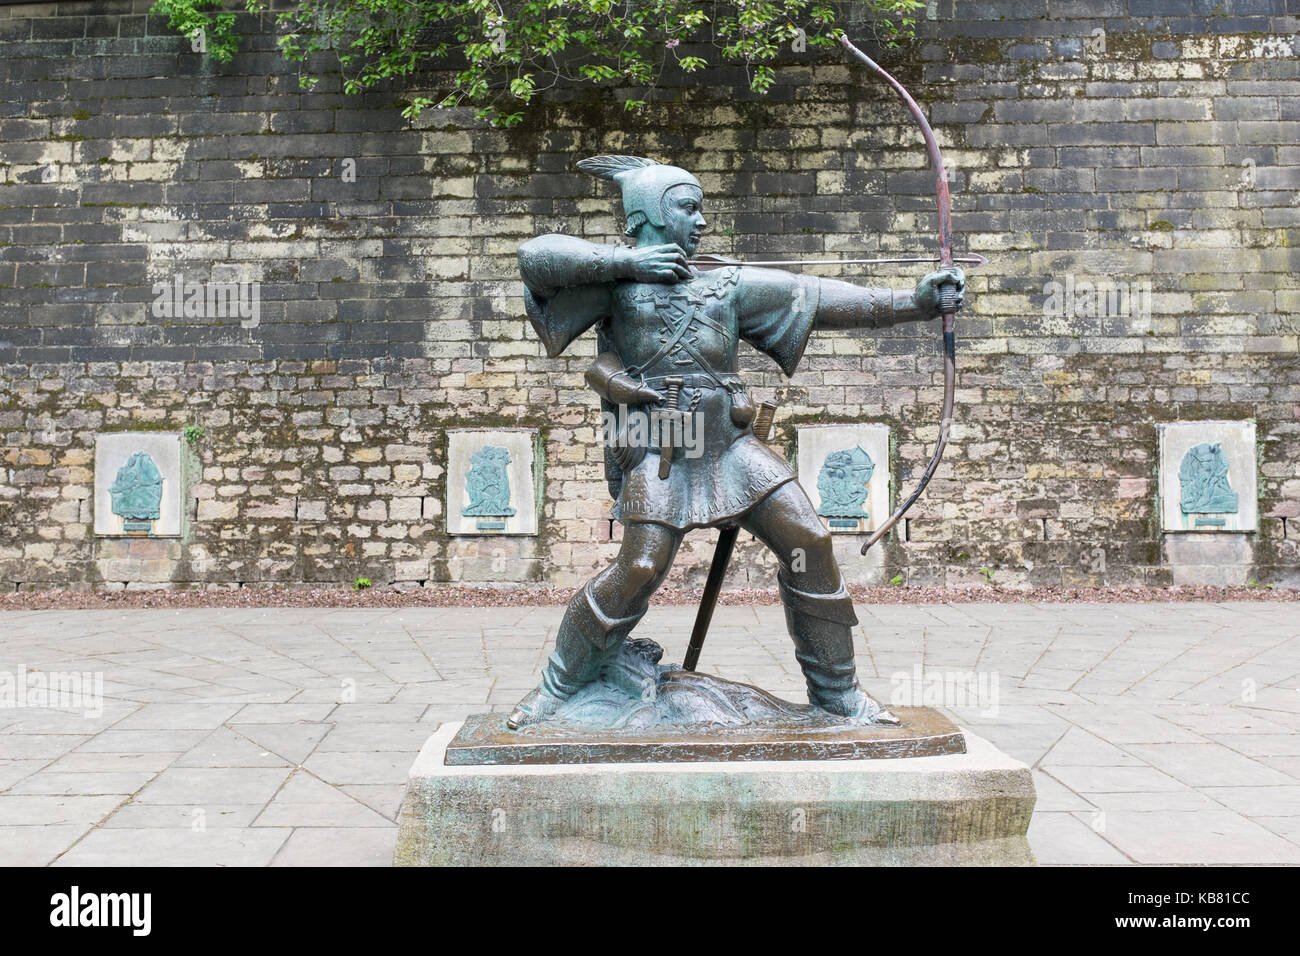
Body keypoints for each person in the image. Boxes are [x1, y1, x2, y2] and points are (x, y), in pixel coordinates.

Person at [508, 155, 964, 729]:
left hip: (729, 447)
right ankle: (557, 688)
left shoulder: (727, 284)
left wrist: (916, 302)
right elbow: (534, 259)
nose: (701, 222)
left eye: (701, 209)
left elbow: (821, 298)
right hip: (660, 444)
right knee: (642, 568)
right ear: (646, 215)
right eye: (687, 208)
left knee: (810, 541)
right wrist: (629, 263)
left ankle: (839, 695)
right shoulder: (615, 286)